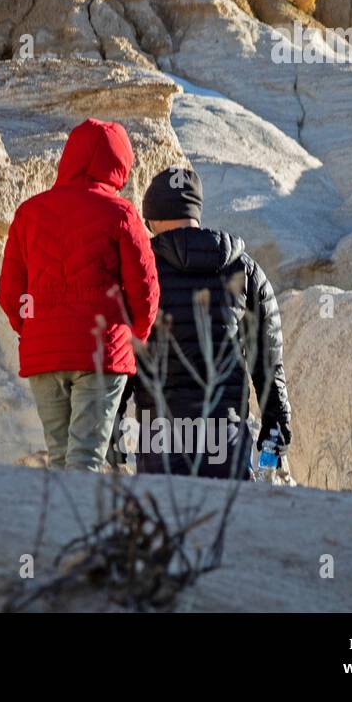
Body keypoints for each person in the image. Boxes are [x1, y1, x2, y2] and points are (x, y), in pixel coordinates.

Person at [0, 119, 159, 472]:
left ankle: (58, 525)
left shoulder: (29, 212)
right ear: (119, 164)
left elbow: (11, 293)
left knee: (59, 458)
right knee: (85, 459)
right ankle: (79, 526)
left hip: (45, 354)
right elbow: (145, 292)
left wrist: (35, 329)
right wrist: (135, 338)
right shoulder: (121, 213)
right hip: (102, 353)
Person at [124, 166, 292, 480]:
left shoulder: (140, 270)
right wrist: (275, 430)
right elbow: (267, 364)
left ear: (153, 217)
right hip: (224, 437)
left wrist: (112, 426)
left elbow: (122, 356)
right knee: (224, 526)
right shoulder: (245, 269)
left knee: (166, 524)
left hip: (161, 435)